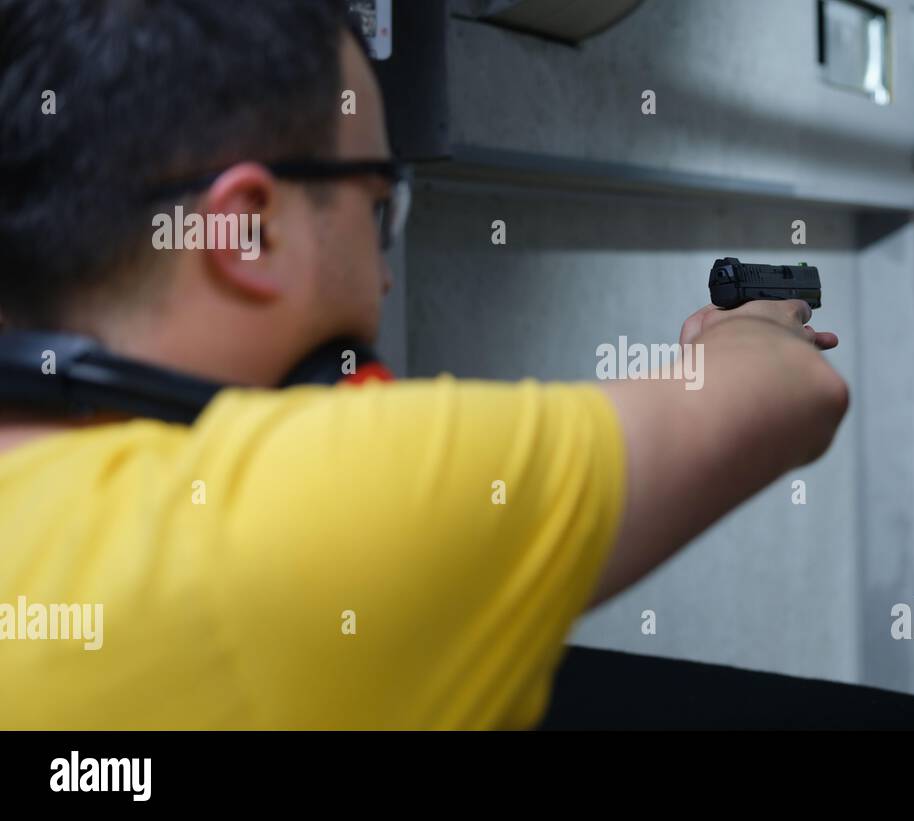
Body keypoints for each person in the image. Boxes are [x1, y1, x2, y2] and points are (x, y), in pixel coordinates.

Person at [0, 0, 848, 729]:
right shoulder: (301, 515)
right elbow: (794, 390)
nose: (385, 273)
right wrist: (750, 331)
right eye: (377, 206)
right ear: (247, 231)